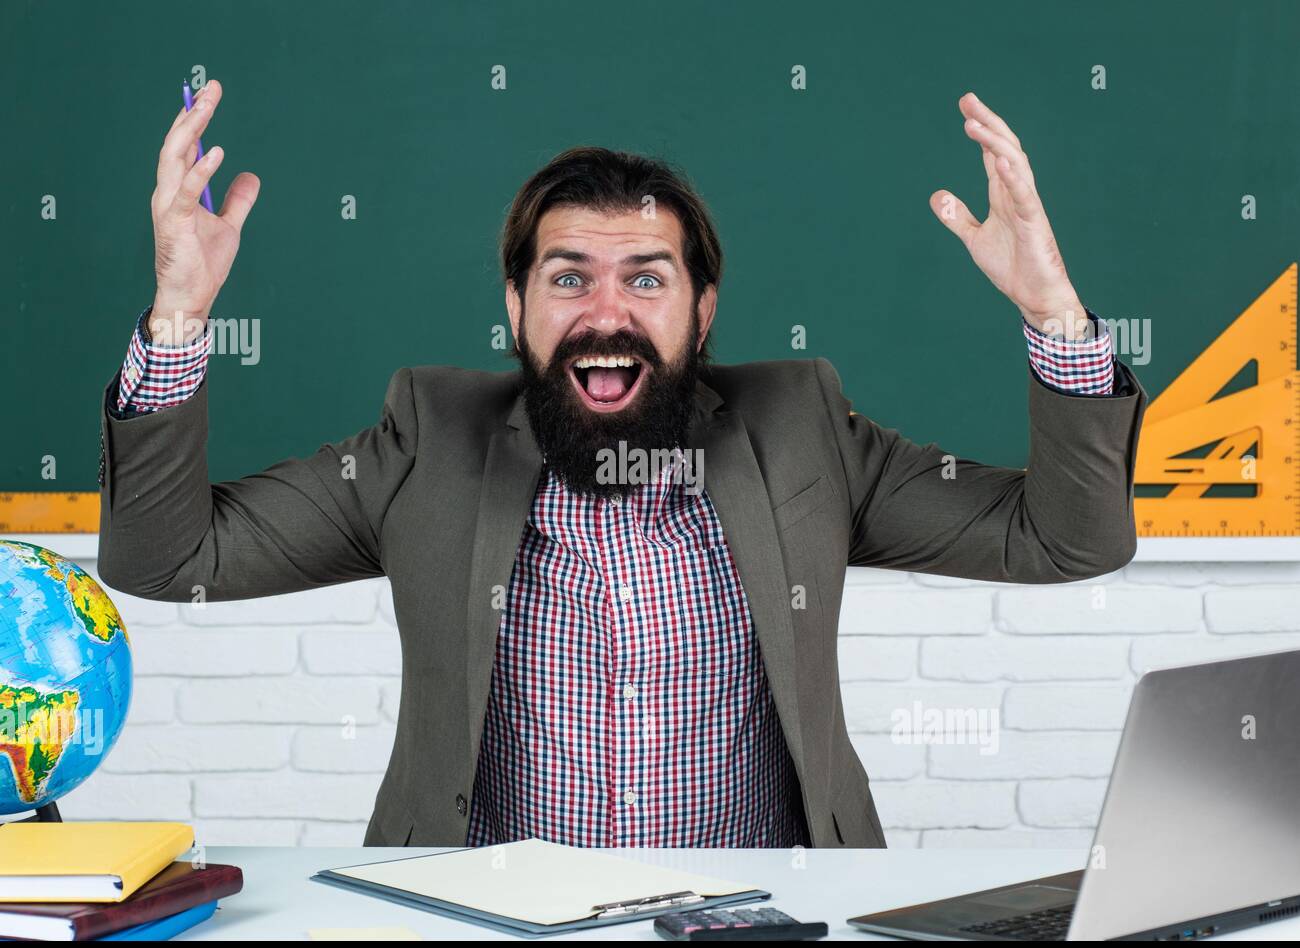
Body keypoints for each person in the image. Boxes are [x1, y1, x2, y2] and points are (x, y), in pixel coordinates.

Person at [98, 80, 1146, 848]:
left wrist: (1050, 310)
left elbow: (1066, 540)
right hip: (486, 925)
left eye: (647, 279)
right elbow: (167, 556)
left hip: (761, 921)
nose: (607, 314)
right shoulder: (430, 437)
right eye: (568, 278)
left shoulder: (801, 431)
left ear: (703, 309)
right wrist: (181, 317)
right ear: (515, 307)